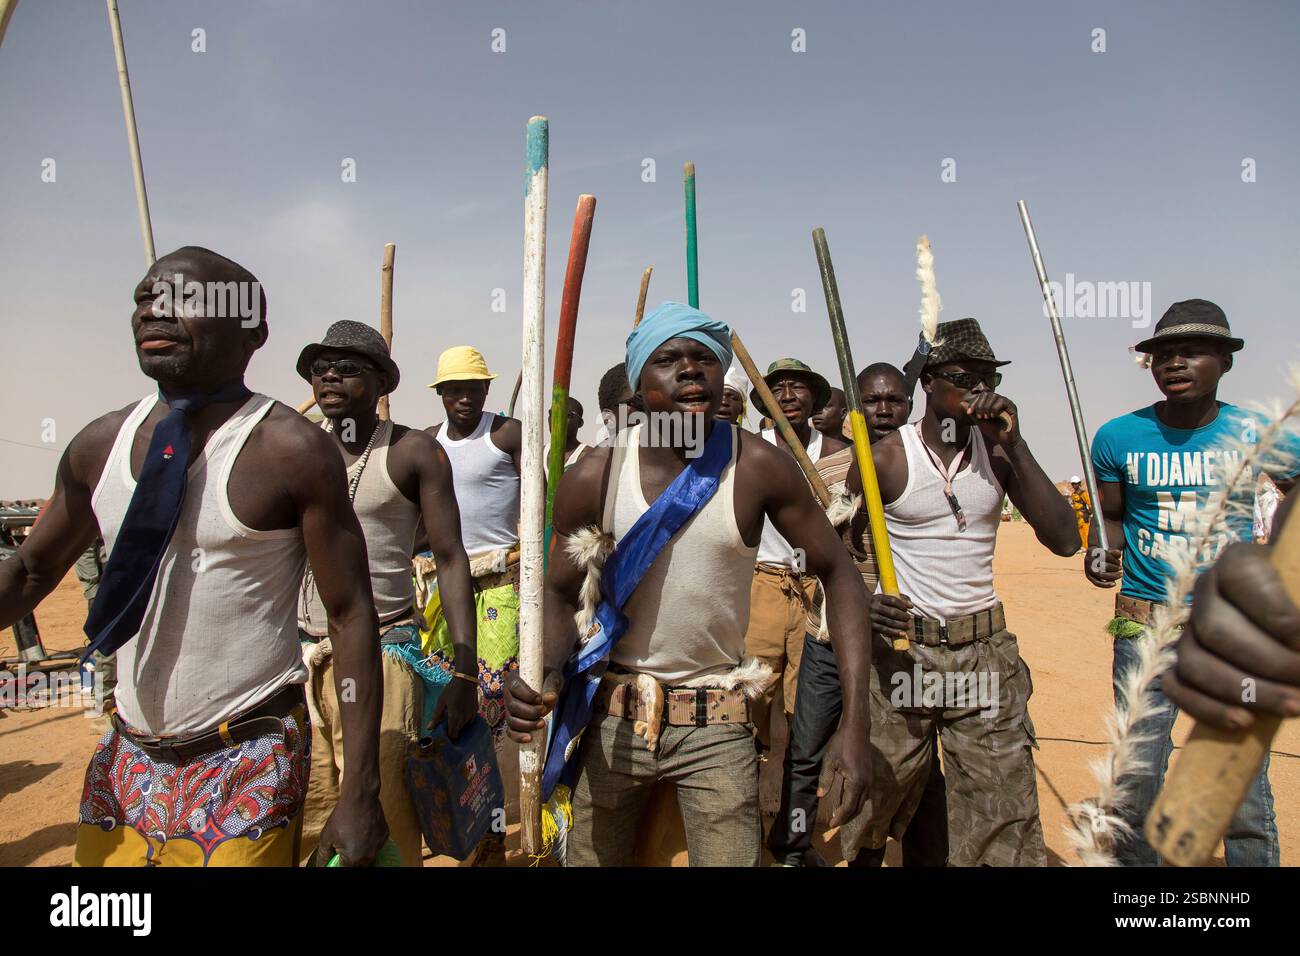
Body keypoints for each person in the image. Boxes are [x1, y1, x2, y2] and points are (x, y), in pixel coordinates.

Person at [0, 246, 386, 866]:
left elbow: (350, 615)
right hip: (128, 760)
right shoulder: (99, 446)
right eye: (145, 299)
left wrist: (361, 793)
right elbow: (29, 572)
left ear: (251, 329)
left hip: (247, 756)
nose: (156, 312)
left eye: (184, 300)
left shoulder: (290, 451)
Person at [504, 302, 874, 867]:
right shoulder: (596, 474)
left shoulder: (756, 466)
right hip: (611, 720)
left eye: (704, 358)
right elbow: (558, 592)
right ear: (639, 380)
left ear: (722, 373)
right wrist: (548, 674)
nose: (690, 370)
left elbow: (841, 575)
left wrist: (856, 723)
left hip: (717, 722)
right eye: (668, 359)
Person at [844, 318, 1079, 866]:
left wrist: (1014, 445)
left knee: (1001, 806)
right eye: (964, 378)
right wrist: (867, 597)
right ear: (927, 382)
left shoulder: (997, 453)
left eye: (987, 378)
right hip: (905, 654)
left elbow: (1066, 540)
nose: (980, 389)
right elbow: (846, 552)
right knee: (878, 794)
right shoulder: (884, 457)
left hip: (983, 653)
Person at [1085, 299, 1297, 866]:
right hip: (1143, 624)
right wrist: (1099, 551)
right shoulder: (1117, 436)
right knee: (1138, 770)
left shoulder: (1258, 432)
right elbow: (1110, 515)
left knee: (1237, 779)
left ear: (1225, 361)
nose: (1174, 363)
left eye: (1192, 352)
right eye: (1162, 354)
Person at [296, 320, 479, 867]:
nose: (329, 375)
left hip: (382, 652)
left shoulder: (412, 453)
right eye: (320, 368)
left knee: (381, 811)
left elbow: (449, 557)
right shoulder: (296, 452)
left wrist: (465, 674)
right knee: (310, 812)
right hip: (300, 658)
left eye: (348, 368)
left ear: (382, 385)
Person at [769, 361, 947, 867]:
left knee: (908, 758)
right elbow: (807, 555)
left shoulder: (922, 470)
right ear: (855, 408)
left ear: (911, 405)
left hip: (901, 641)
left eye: (895, 401)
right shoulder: (823, 472)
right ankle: (793, 848)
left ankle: (895, 853)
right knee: (805, 751)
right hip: (830, 637)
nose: (884, 411)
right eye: (872, 401)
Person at [421, 345, 524, 864]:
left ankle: (493, 830)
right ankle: (454, 816)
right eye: (453, 389)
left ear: (488, 390)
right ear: (440, 395)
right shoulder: (425, 445)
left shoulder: (507, 434)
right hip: (443, 588)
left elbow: (545, 499)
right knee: (444, 698)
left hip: (499, 585)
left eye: (473, 388)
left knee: (491, 702)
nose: (464, 397)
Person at [743, 359, 849, 755]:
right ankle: (753, 775)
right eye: (778, 389)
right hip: (762, 585)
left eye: (797, 387)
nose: (787, 397)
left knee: (807, 701)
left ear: (814, 398)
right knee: (752, 693)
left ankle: (796, 786)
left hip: (818, 589)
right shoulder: (750, 450)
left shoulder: (839, 454)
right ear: (765, 401)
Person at [1068, 476, 1092, 551]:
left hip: (1084, 515)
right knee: (1080, 532)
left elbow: (1089, 503)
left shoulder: (1083, 493)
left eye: (1076, 483)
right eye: (1073, 484)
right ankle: (1083, 546)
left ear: (1079, 484)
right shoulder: (1073, 494)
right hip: (1078, 516)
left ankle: (1087, 547)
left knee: (1086, 531)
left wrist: (1091, 512)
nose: (1074, 485)